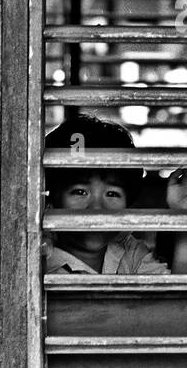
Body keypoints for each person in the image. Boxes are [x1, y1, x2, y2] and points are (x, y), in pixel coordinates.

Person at [41, 114, 168, 275]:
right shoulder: (39, 260)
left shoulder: (131, 253)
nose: (97, 208)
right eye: (80, 192)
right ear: (51, 201)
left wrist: (183, 210)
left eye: (112, 194)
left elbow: (180, 296)